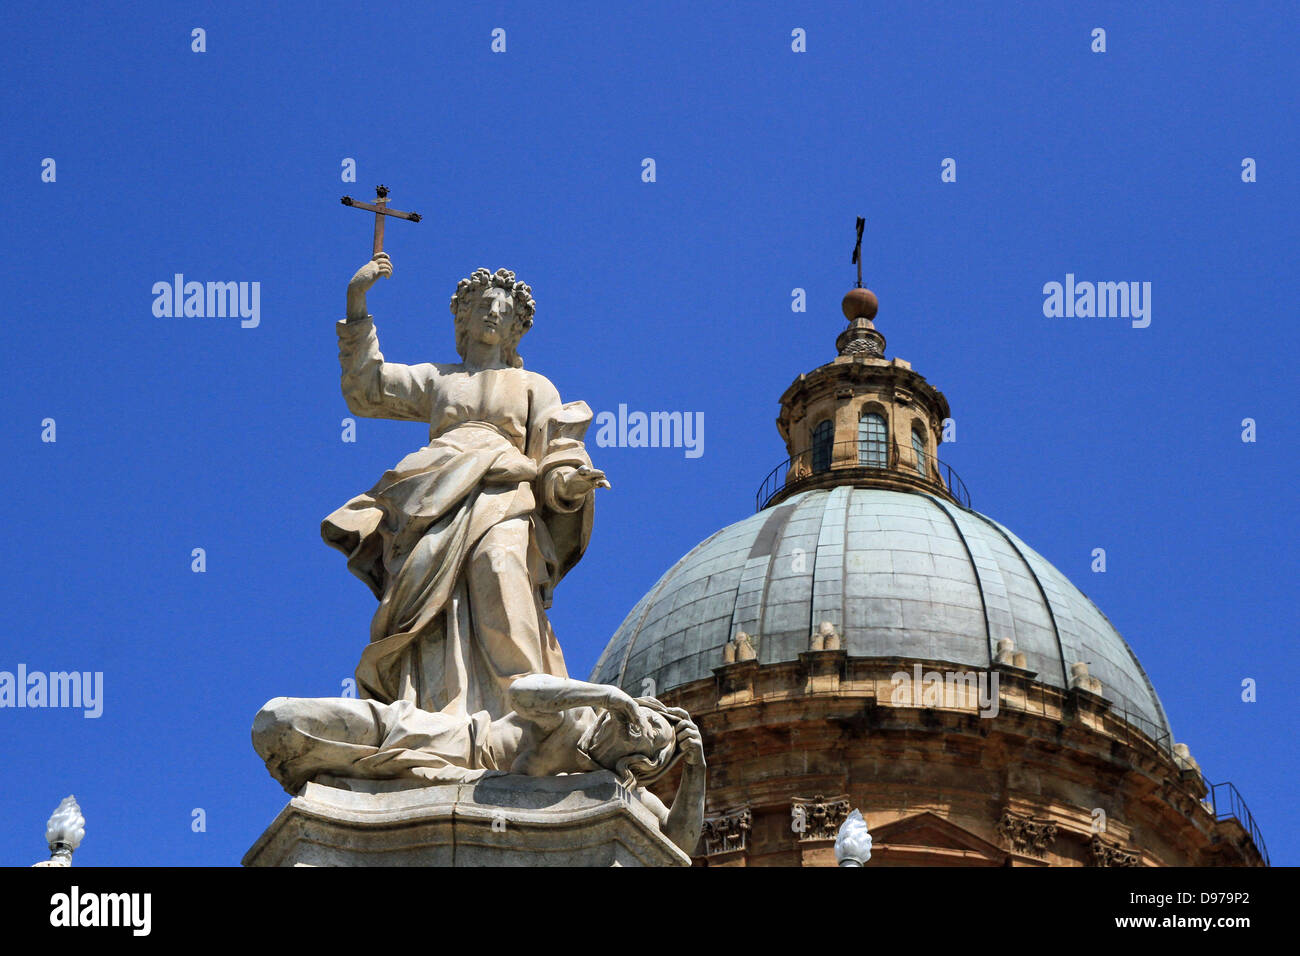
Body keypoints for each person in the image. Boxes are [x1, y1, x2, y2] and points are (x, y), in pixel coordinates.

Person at [323, 255, 609, 719]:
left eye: (503, 310)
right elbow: (368, 388)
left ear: (517, 326)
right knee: (429, 600)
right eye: (483, 306)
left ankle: (525, 693)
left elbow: (556, 448)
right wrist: (358, 302)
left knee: (500, 566)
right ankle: (441, 702)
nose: (493, 314)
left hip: (503, 492)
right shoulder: (440, 379)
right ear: (464, 316)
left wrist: (568, 482)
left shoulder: (534, 385)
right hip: (432, 494)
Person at [252, 674, 707, 855]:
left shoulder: (606, 787)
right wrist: (606, 694)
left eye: (650, 736)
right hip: (444, 739)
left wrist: (697, 770)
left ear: (636, 763)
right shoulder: (575, 715)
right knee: (284, 723)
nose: (639, 724)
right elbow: (523, 692)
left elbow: (679, 843)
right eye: (647, 716)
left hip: (457, 781)